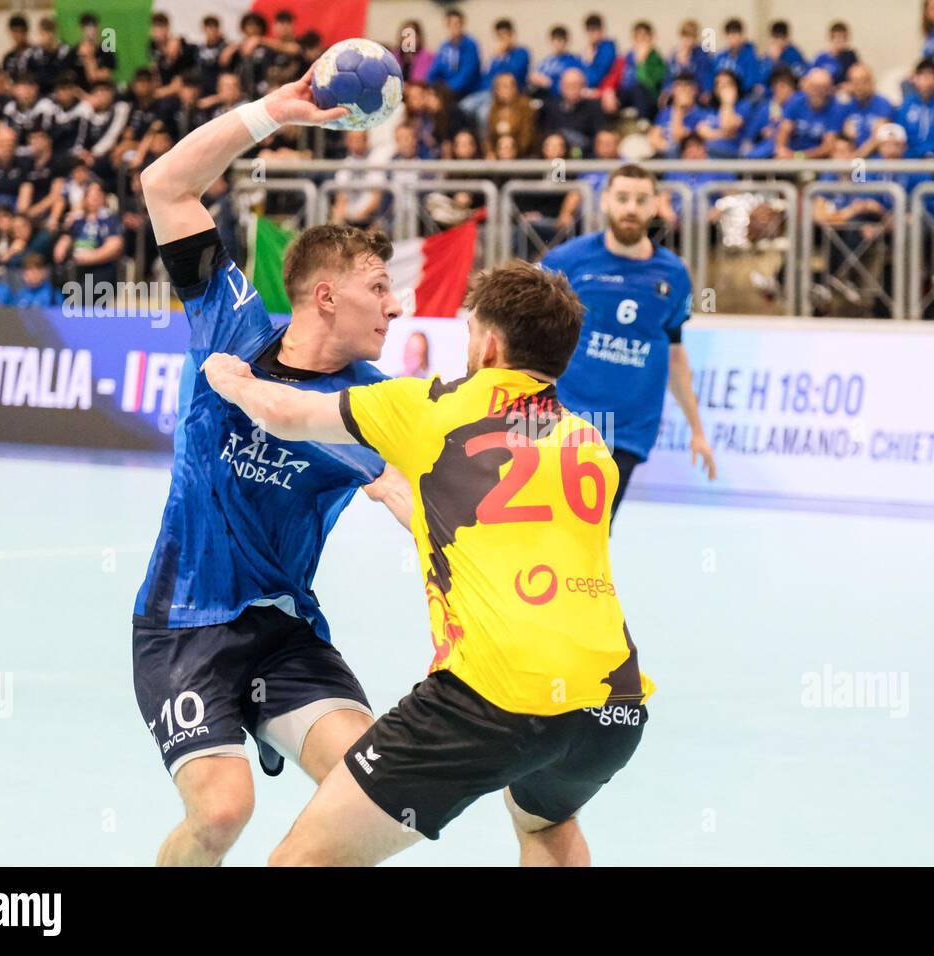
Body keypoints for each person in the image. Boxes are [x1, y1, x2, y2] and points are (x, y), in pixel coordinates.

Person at [200, 260, 654, 867]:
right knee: (546, 827)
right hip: (611, 710)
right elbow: (497, 534)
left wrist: (230, 379)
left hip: (491, 699)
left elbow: (284, 413)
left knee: (301, 862)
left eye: (471, 330)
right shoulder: (586, 444)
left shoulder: (435, 406)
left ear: (489, 343)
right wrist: (406, 500)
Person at [131, 69, 405, 866]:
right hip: (184, 622)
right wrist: (272, 112)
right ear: (325, 296)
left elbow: (402, 488)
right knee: (222, 813)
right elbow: (165, 184)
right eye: (379, 288)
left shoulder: (375, 402)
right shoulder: (232, 323)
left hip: (284, 629)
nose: (396, 306)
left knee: (371, 786)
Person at [541, 164, 716, 521]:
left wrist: (697, 430)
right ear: (605, 201)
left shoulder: (673, 274)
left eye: (641, 200)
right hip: (568, 416)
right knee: (552, 524)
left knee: (593, 527)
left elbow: (676, 354)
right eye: (622, 198)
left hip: (629, 428)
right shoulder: (567, 261)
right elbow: (525, 329)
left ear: (656, 206)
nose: (631, 208)